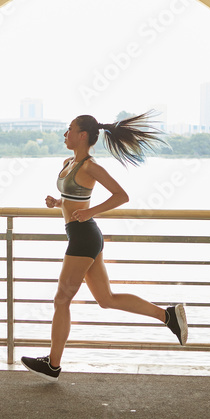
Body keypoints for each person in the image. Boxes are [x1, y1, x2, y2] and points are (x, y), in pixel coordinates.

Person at [21, 111, 188, 380]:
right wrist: (58, 203)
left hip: (83, 237)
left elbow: (121, 196)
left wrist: (91, 211)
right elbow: (73, 199)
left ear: (83, 135)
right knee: (106, 300)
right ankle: (168, 317)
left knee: (61, 300)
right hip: (82, 235)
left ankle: (53, 364)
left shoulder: (90, 167)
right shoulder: (67, 163)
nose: (66, 134)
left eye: (70, 129)